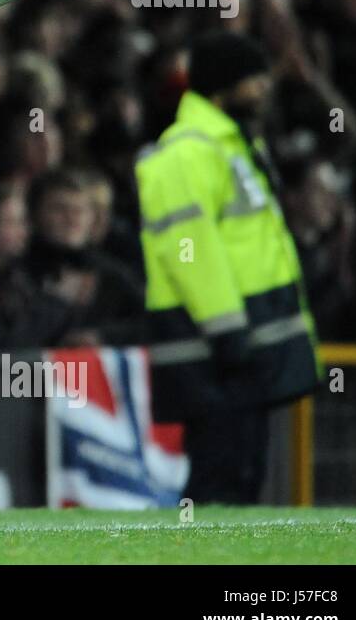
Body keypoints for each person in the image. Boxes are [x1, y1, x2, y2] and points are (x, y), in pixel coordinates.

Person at [136, 32, 319, 503]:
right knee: (219, 479)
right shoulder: (187, 153)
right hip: (215, 345)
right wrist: (227, 332)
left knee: (243, 475)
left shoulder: (230, 147)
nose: (263, 90)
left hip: (241, 339)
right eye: (253, 81)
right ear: (222, 87)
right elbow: (190, 249)